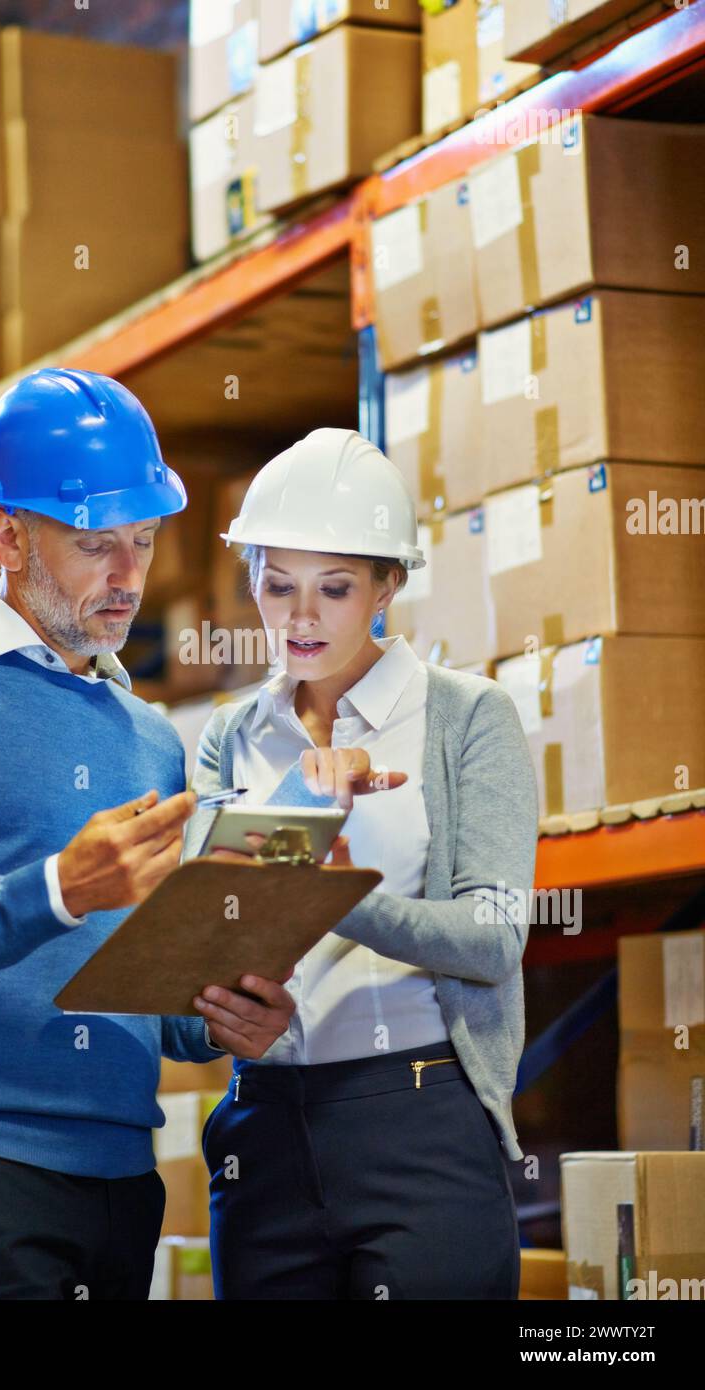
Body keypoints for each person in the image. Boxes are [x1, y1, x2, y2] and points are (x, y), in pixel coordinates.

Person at [0, 368, 294, 1301]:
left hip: (120, 1182)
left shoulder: (149, 736)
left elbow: (138, 1003)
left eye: (144, 542)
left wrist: (219, 1018)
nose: (127, 576)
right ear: (9, 533)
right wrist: (56, 891)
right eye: (93, 545)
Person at [185, 427, 539, 1301]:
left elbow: (493, 940)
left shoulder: (466, 719)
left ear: (389, 584)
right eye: (277, 585)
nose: (300, 618)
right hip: (262, 1130)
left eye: (334, 588)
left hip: (420, 1120)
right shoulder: (231, 736)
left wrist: (332, 894)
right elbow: (211, 928)